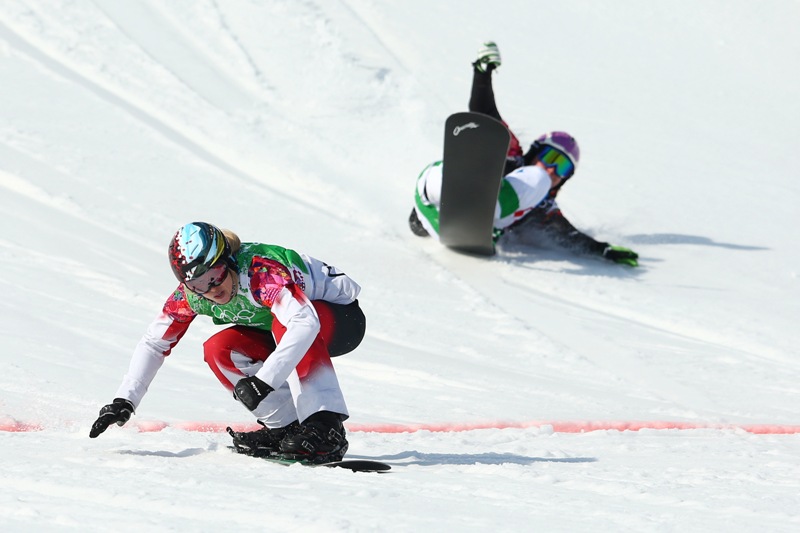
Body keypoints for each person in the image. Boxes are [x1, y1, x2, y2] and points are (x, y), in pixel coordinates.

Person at [89, 222, 365, 464]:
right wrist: (124, 399)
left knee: (288, 322)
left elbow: (305, 323)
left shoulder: (260, 272)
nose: (211, 289)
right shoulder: (191, 297)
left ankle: (325, 425)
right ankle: (286, 425)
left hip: (340, 318)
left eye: (215, 275)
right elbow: (154, 343)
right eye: (198, 284)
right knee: (219, 349)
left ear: (229, 261)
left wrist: (264, 381)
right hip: (281, 326)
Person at [410, 42, 639, 267]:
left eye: (563, 169)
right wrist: (483, 72)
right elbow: (483, 114)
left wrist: (603, 250)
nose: (553, 170)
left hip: (463, 223)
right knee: (533, 176)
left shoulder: (543, 206)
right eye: (551, 158)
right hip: (436, 188)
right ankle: (458, 206)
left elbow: (569, 237)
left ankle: (478, 219)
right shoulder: (512, 153)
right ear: (536, 152)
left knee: (538, 181)